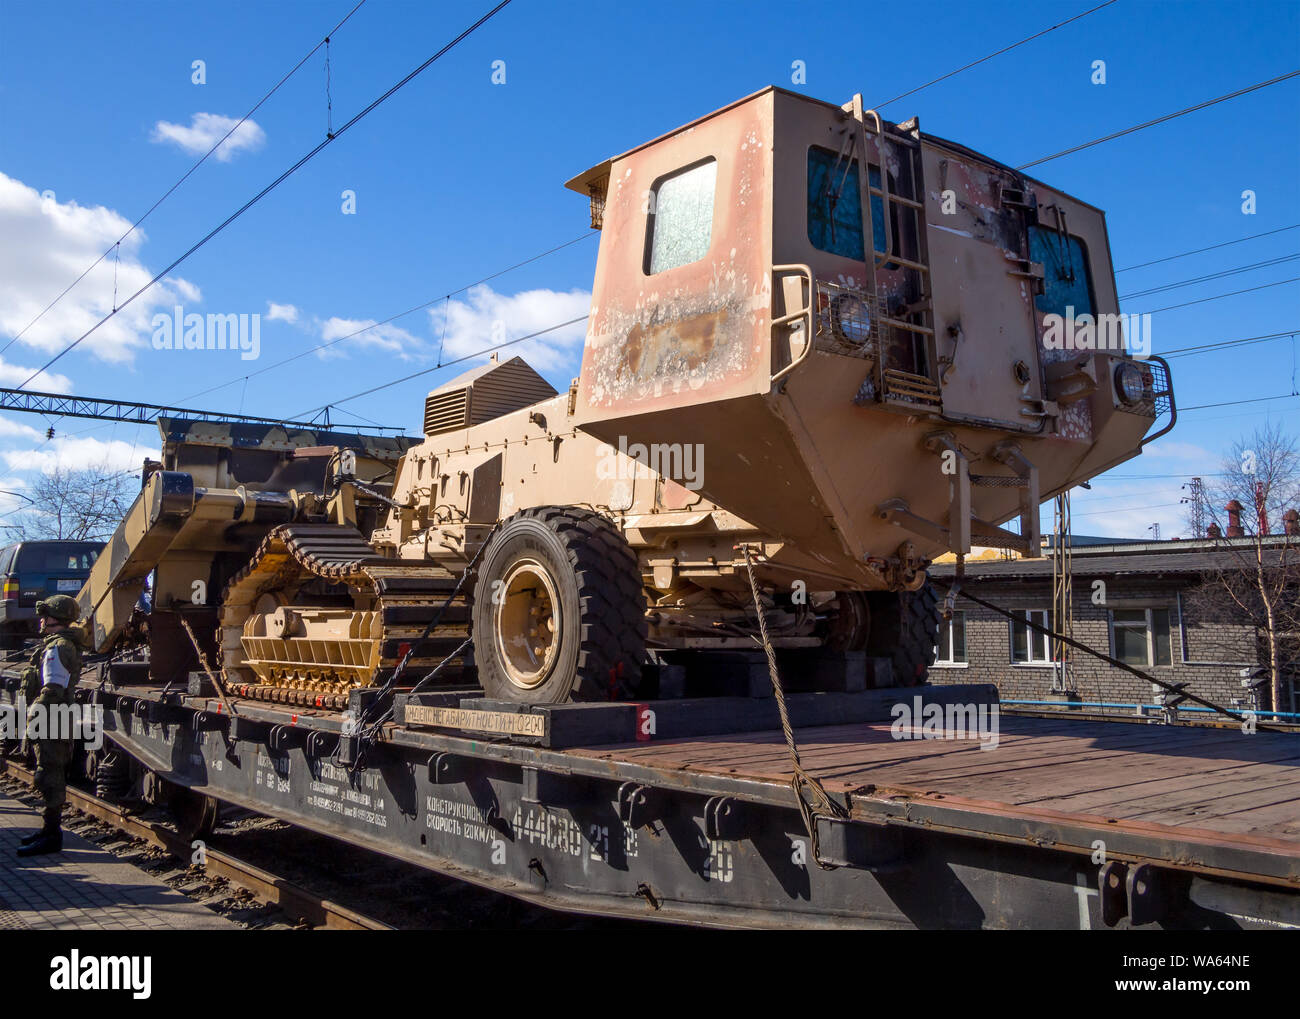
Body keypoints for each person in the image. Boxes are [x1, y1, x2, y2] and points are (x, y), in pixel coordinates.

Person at [16, 594, 82, 857]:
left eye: (46, 617)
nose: (41, 621)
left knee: (50, 775)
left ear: (57, 619)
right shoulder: (56, 644)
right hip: (51, 718)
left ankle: (52, 835)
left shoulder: (59, 647)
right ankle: (47, 830)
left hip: (51, 719)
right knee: (46, 772)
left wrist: (33, 716)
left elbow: (53, 688)